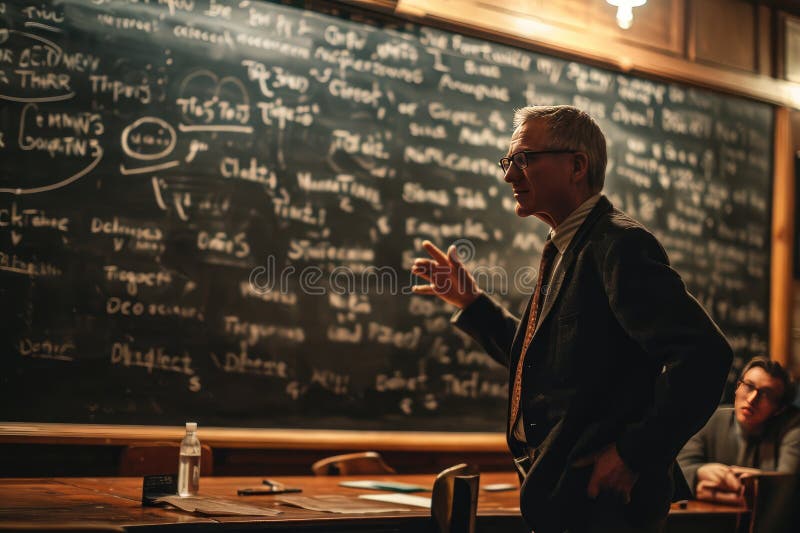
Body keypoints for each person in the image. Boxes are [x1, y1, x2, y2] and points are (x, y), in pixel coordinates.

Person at [411, 105, 733, 533]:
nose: (509, 175)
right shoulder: (569, 247)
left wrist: (634, 453)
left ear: (576, 165)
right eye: (508, 162)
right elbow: (542, 360)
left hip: (605, 505)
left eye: (523, 159)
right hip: (565, 498)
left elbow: (705, 355)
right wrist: (472, 304)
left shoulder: (618, 244)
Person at [678, 356, 800, 505]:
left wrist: (723, 492)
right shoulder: (709, 418)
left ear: (779, 409)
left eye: (766, 394)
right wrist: (700, 472)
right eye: (749, 386)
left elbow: (789, 484)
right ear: (737, 387)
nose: (752, 399)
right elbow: (680, 467)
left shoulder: (790, 427)